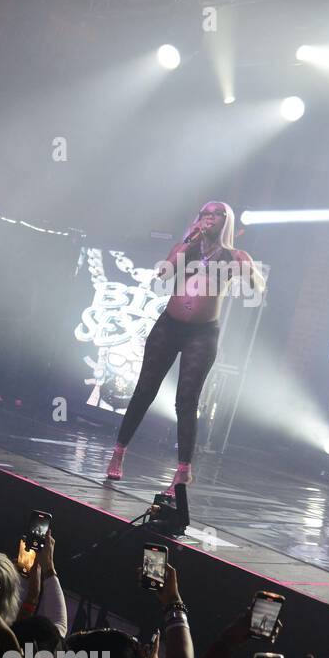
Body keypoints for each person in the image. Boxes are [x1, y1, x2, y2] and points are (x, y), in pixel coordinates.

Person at [106, 202, 266, 492]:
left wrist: (250, 273)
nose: (210, 218)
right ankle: (119, 451)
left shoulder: (235, 256)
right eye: (205, 213)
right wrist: (187, 239)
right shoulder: (187, 248)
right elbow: (164, 274)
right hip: (169, 325)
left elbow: (257, 287)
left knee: (186, 400)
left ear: (226, 221)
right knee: (145, 389)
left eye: (217, 214)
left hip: (202, 333)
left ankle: (182, 471)